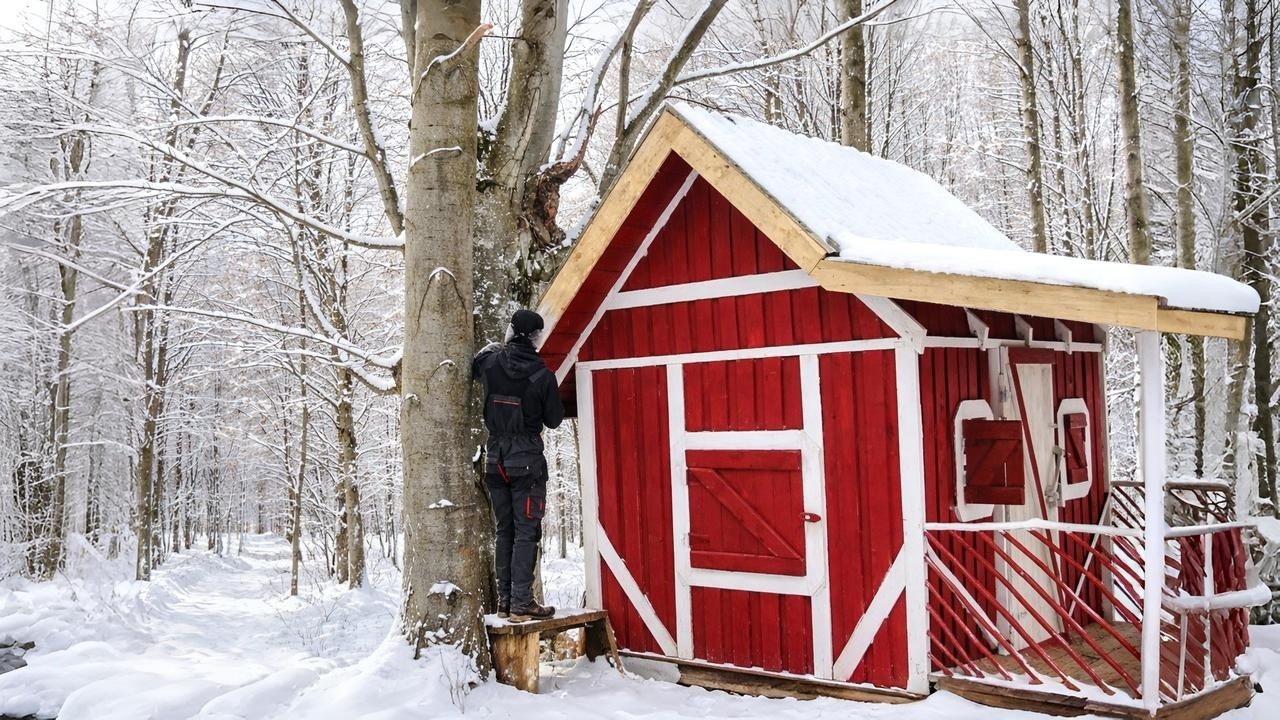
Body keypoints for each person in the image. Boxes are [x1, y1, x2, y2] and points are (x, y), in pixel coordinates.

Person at [472, 309, 565, 622]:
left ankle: (505, 602)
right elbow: (553, 420)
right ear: (537, 338)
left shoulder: (490, 362)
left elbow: (477, 364)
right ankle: (522, 604)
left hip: (495, 460)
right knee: (526, 532)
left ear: (511, 331)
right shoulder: (542, 376)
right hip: (527, 464)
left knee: (505, 530)